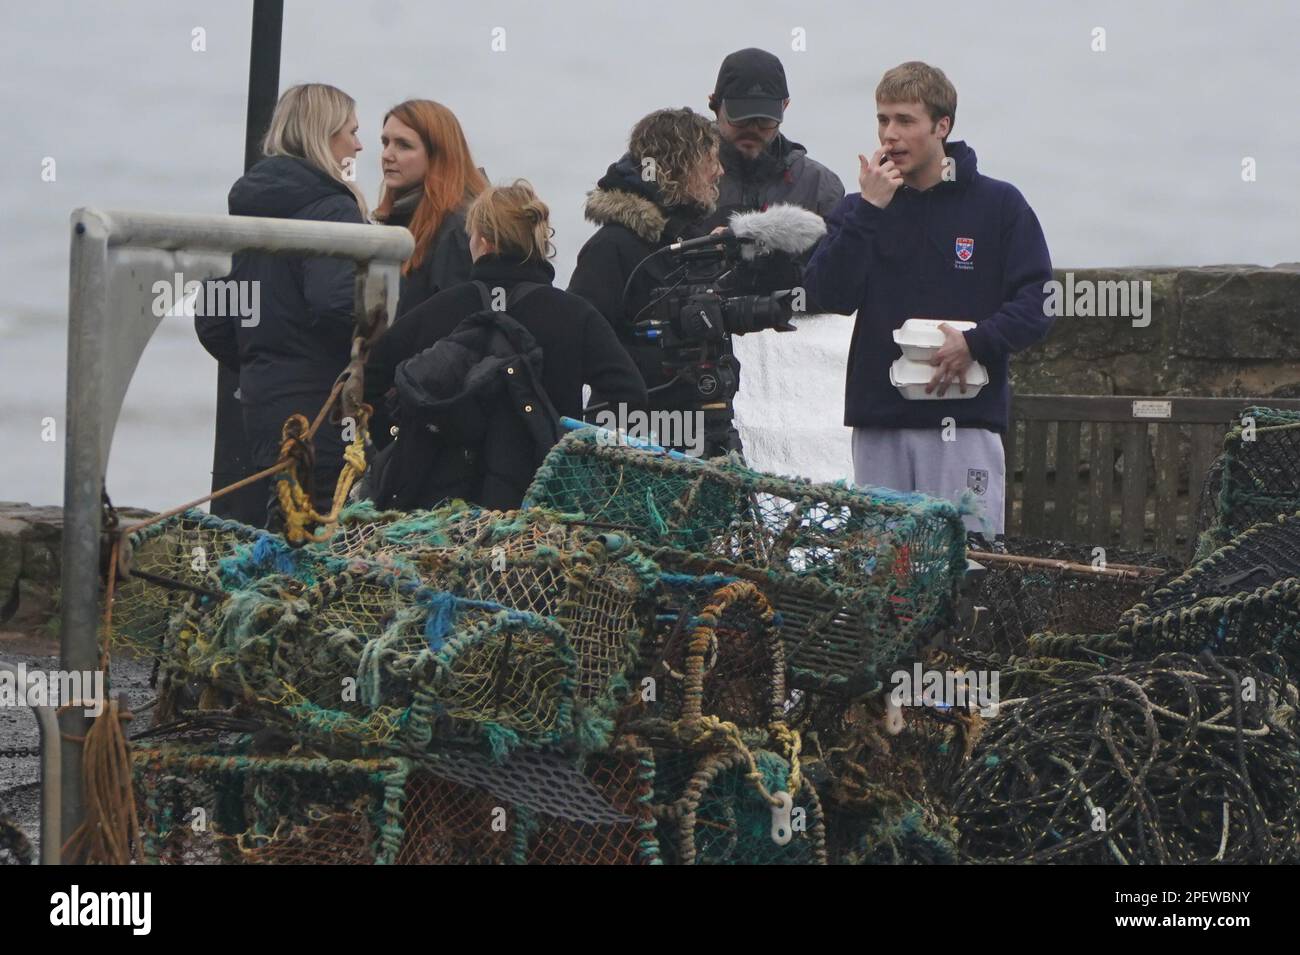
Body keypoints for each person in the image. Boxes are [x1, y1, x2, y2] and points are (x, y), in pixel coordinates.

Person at [801, 61, 1054, 539]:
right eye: (882, 120)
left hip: (965, 420)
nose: (890, 135)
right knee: (882, 572)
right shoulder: (860, 209)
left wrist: (977, 342)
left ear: (942, 126)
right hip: (881, 419)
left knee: (966, 563)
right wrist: (869, 212)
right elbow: (827, 294)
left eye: (905, 120)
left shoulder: (999, 205)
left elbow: (1039, 301)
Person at [363, 180, 647, 510]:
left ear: (481, 241)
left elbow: (371, 380)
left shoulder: (439, 310)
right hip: (545, 505)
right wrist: (583, 459)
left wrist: (398, 441)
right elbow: (629, 394)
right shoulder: (574, 315)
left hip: (441, 509)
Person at [195, 83, 368, 528]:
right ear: (323, 136)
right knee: (321, 533)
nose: (359, 144)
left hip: (259, 403)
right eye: (351, 131)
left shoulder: (244, 205)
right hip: (319, 408)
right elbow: (333, 304)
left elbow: (214, 319)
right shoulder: (333, 207)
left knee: (281, 522)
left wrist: (263, 360)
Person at [567, 108, 736, 455]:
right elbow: (579, 343)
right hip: (633, 438)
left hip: (703, 426)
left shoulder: (691, 243)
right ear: (680, 166)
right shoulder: (610, 249)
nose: (720, 171)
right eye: (710, 161)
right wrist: (663, 360)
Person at [702, 48, 844, 233]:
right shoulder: (683, 180)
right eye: (740, 118)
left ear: (785, 106)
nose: (752, 128)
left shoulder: (819, 187)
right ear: (714, 104)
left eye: (764, 119)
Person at [371, 99, 485, 318]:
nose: (387, 155)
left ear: (438, 154)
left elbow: (454, 323)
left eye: (403, 145)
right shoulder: (401, 218)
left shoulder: (459, 228)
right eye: (385, 143)